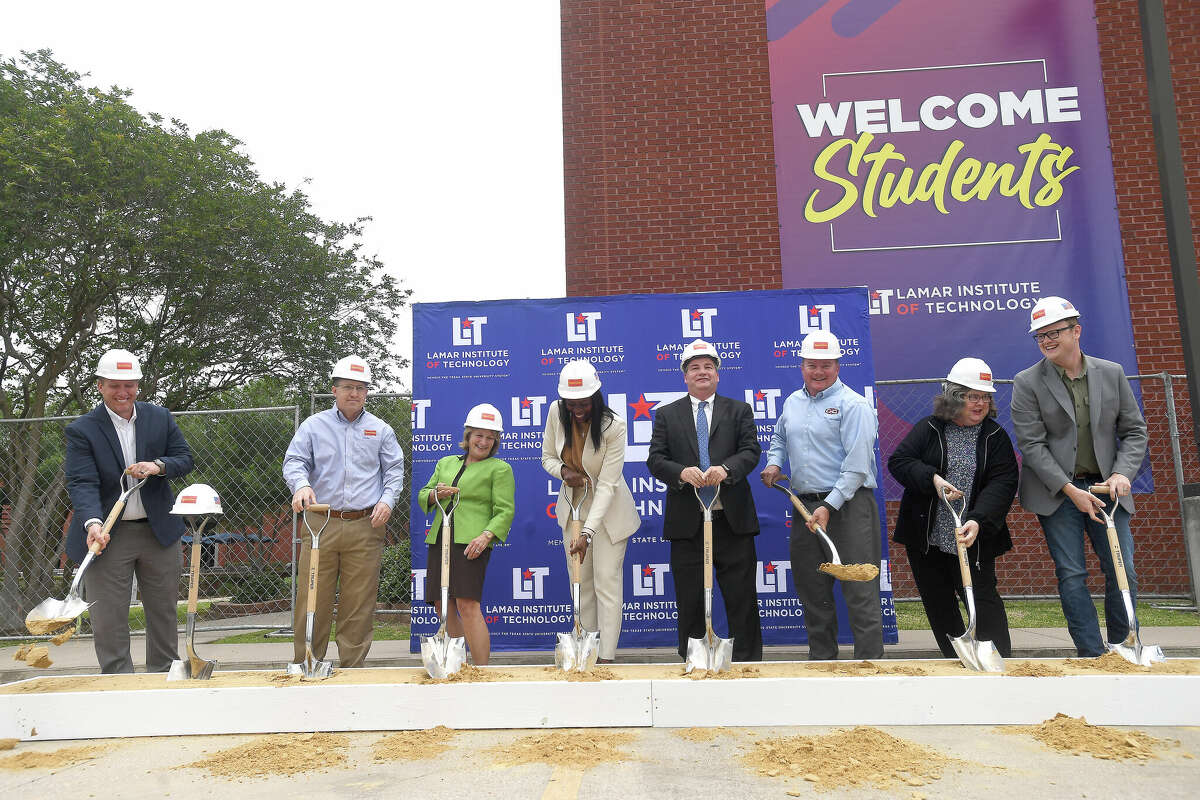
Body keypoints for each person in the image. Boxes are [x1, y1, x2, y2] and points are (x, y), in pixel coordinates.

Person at [1012, 296, 1149, 657]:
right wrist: (1070, 489)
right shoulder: (1028, 382)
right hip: (1058, 494)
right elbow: (1032, 445)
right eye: (1040, 336)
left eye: (1053, 333)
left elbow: (1134, 431)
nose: (1046, 341)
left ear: (1076, 331)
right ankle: (1091, 654)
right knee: (1072, 573)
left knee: (1122, 569)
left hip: (1106, 489)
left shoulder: (1111, 373)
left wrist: (1121, 473)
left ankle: (1123, 647)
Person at [64, 349, 195, 674]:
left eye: (129, 385)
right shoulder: (82, 429)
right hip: (109, 535)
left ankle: (162, 677)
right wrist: (93, 524)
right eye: (114, 386)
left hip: (158, 532)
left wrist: (158, 466)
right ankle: (117, 682)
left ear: (138, 385)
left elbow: (184, 458)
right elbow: (82, 482)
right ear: (100, 386)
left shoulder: (160, 417)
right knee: (108, 617)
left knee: (163, 612)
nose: (123, 393)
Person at [761, 330, 883, 660]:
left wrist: (830, 505)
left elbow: (857, 467)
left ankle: (870, 669)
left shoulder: (854, 405)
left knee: (859, 589)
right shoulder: (792, 402)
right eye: (812, 365)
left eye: (826, 365)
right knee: (813, 591)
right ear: (801, 366)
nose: (818, 372)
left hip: (848, 506)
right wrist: (774, 462)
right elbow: (779, 438)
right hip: (805, 507)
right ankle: (822, 664)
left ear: (837, 366)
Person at [887, 357, 1018, 658]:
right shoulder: (929, 428)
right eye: (972, 396)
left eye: (985, 397)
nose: (980, 403)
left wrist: (978, 520)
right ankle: (956, 661)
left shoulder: (995, 437)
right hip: (929, 539)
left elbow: (1003, 482)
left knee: (982, 600)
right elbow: (900, 462)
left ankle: (998, 660)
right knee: (939, 604)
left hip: (972, 536)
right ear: (954, 397)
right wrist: (932, 479)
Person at [283, 356, 405, 668]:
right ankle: (308, 664)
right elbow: (295, 461)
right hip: (319, 523)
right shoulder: (313, 426)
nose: (354, 393)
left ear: (367, 393)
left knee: (359, 602)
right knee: (312, 598)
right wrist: (301, 485)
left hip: (365, 524)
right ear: (334, 390)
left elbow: (394, 471)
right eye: (348, 387)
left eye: (361, 388)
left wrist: (387, 501)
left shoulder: (381, 430)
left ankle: (352, 668)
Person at [647, 339, 763, 662]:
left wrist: (726, 470)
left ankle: (748, 665)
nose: (702, 372)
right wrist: (682, 473)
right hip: (689, 523)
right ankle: (694, 663)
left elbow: (751, 451)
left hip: (732, 521)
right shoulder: (667, 415)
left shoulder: (739, 410)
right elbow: (656, 459)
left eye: (708, 367)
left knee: (742, 599)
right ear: (685, 376)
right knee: (690, 600)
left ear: (717, 374)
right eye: (695, 368)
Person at [541, 359, 641, 663]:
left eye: (583, 402)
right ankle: (587, 654)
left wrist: (587, 533)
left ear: (596, 397)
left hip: (609, 514)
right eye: (571, 403)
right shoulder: (556, 412)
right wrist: (563, 472)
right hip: (573, 508)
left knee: (606, 582)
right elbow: (547, 457)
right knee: (580, 583)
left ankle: (606, 658)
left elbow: (608, 485)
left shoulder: (614, 426)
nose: (577, 409)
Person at [418, 403, 515, 666]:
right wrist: (435, 494)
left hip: (472, 542)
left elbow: (505, 510)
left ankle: (482, 671)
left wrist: (485, 536)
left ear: (495, 441)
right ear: (468, 436)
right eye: (478, 435)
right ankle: (459, 665)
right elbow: (424, 494)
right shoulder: (446, 462)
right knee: (441, 604)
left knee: (467, 604)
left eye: (490, 437)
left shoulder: (500, 469)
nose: (483, 442)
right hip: (440, 537)